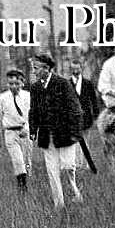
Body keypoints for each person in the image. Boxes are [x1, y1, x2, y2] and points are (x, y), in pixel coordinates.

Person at [29, 52, 84, 210]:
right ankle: (58, 205)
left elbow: (75, 110)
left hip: (66, 134)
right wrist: (33, 129)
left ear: (46, 69)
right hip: (47, 136)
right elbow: (33, 111)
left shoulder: (63, 84)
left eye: (36, 68)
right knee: (52, 171)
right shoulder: (35, 88)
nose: (34, 71)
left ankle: (75, 193)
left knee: (67, 167)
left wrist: (75, 132)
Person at [0, 68, 31, 192]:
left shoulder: (27, 96)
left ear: (22, 83)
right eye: (10, 84)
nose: (13, 86)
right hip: (10, 132)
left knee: (26, 161)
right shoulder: (3, 98)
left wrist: (28, 129)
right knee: (17, 159)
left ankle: (26, 178)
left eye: (16, 84)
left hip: (25, 132)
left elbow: (31, 115)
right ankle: (22, 186)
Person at [69, 59, 100, 167]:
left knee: (86, 140)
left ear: (81, 68)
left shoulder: (88, 83)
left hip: (86, 117)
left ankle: (86, 163)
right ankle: (77, 163)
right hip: (72, 118)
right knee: (76, 141)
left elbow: (94, 100)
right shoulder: (67, 84)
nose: (75, 70)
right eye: (73, 68)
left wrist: (96, 115)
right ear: (71, 69)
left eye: (77, 68)